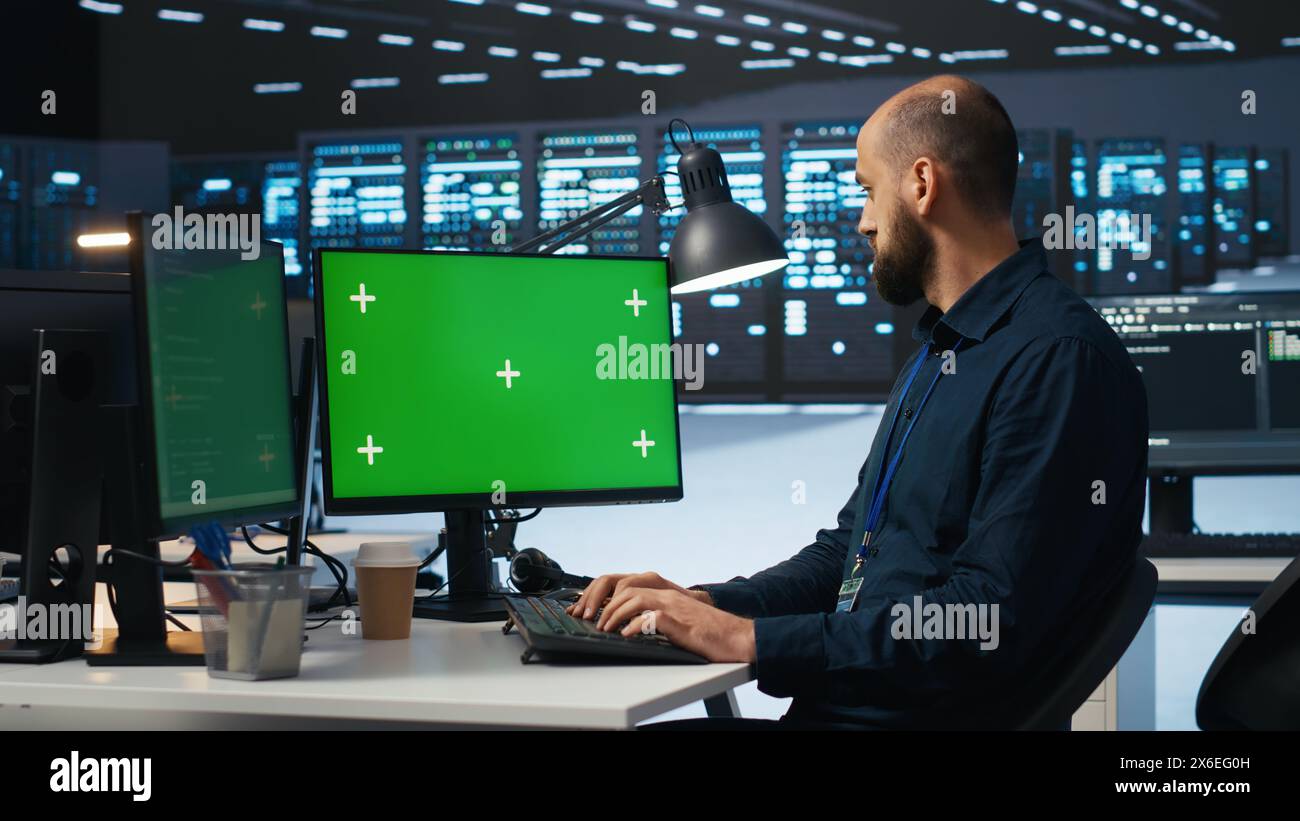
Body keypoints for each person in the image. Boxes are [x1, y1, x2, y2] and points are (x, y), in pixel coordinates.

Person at [569, 74, 1149, 729]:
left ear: (922, 185)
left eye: (869, 191)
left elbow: (985, 619)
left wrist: (750, 643)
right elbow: (848, 556)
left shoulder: (1057, 361)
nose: (863, 221)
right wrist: (709, 604)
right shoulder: (940, 350)